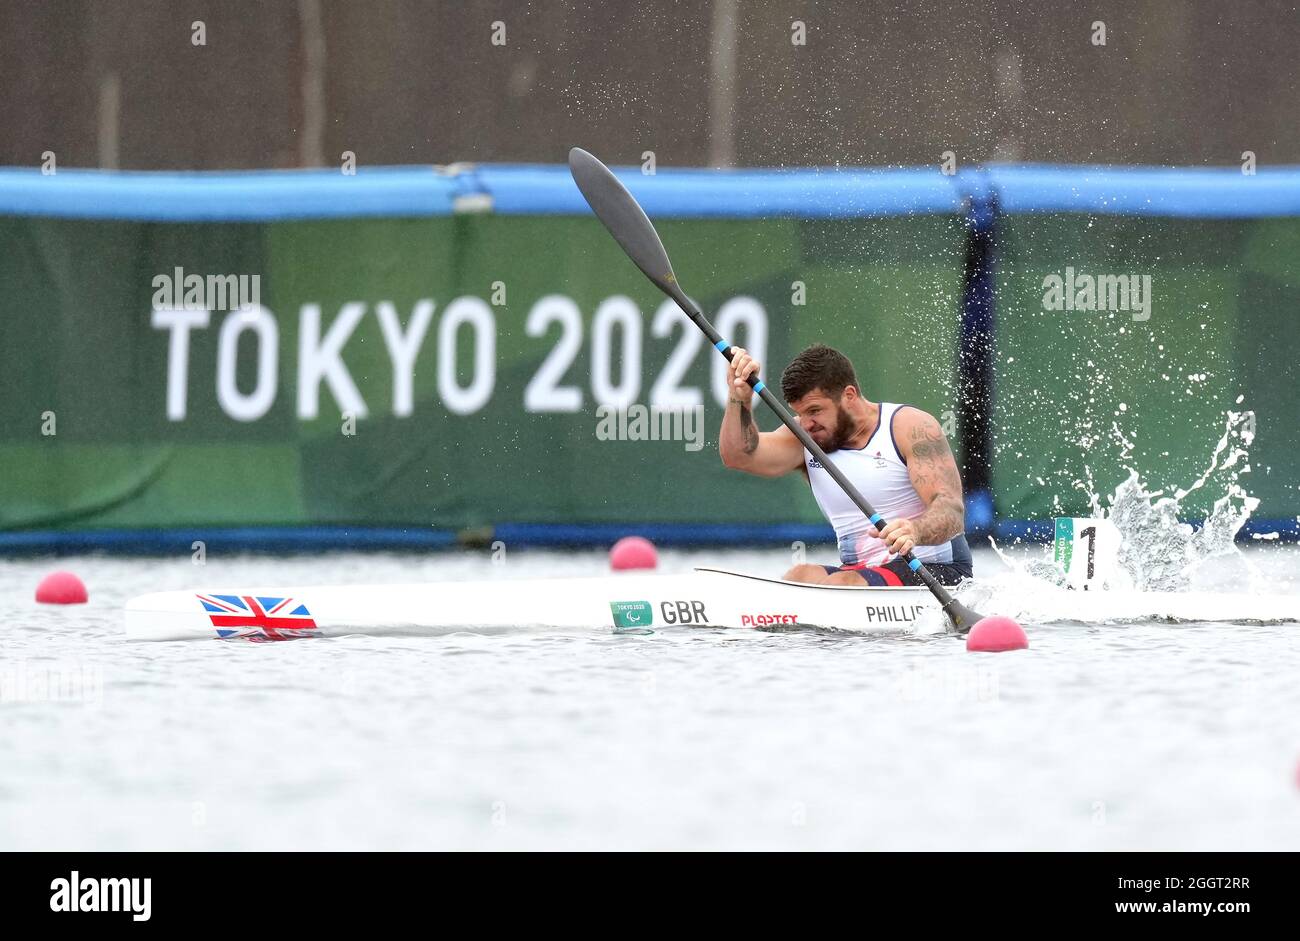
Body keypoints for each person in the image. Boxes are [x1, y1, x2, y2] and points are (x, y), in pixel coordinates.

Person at [719, 343, 972, 586]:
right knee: (801, 574)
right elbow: (738, 456)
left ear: (849, 395)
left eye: (815, 411)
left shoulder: (909, 427)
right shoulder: (805, 437)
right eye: (801, 413)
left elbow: (951, 511)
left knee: (843, 582)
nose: (806, 424)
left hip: (935, 568)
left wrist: (915, 531)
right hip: (859, 573)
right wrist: (738, 397)